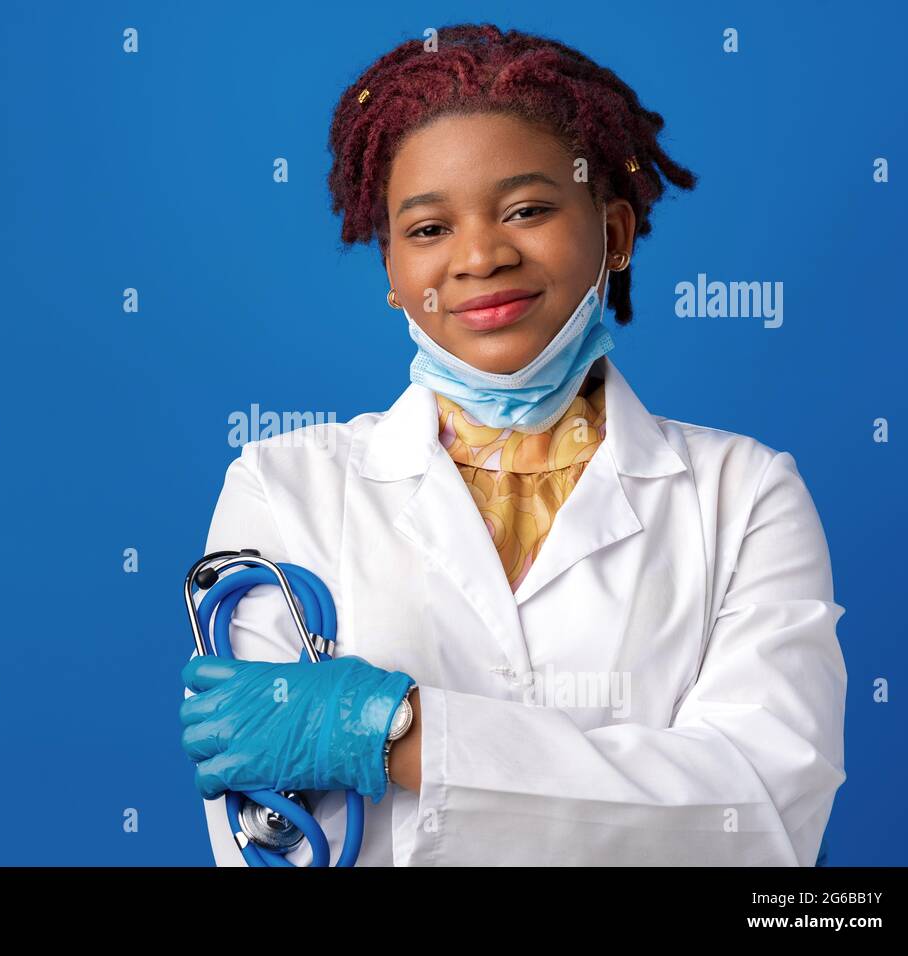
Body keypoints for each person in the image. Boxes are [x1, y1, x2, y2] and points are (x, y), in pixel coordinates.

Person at [179, 23, 846, 866]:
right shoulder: (282, 489)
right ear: (390, 269)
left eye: (527, 210)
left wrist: (393, 736)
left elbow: (763, 817)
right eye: (427, 230)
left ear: (615, 230)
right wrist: (626, 789)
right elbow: (270, 843)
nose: (481, 256)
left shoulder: (745, 495)